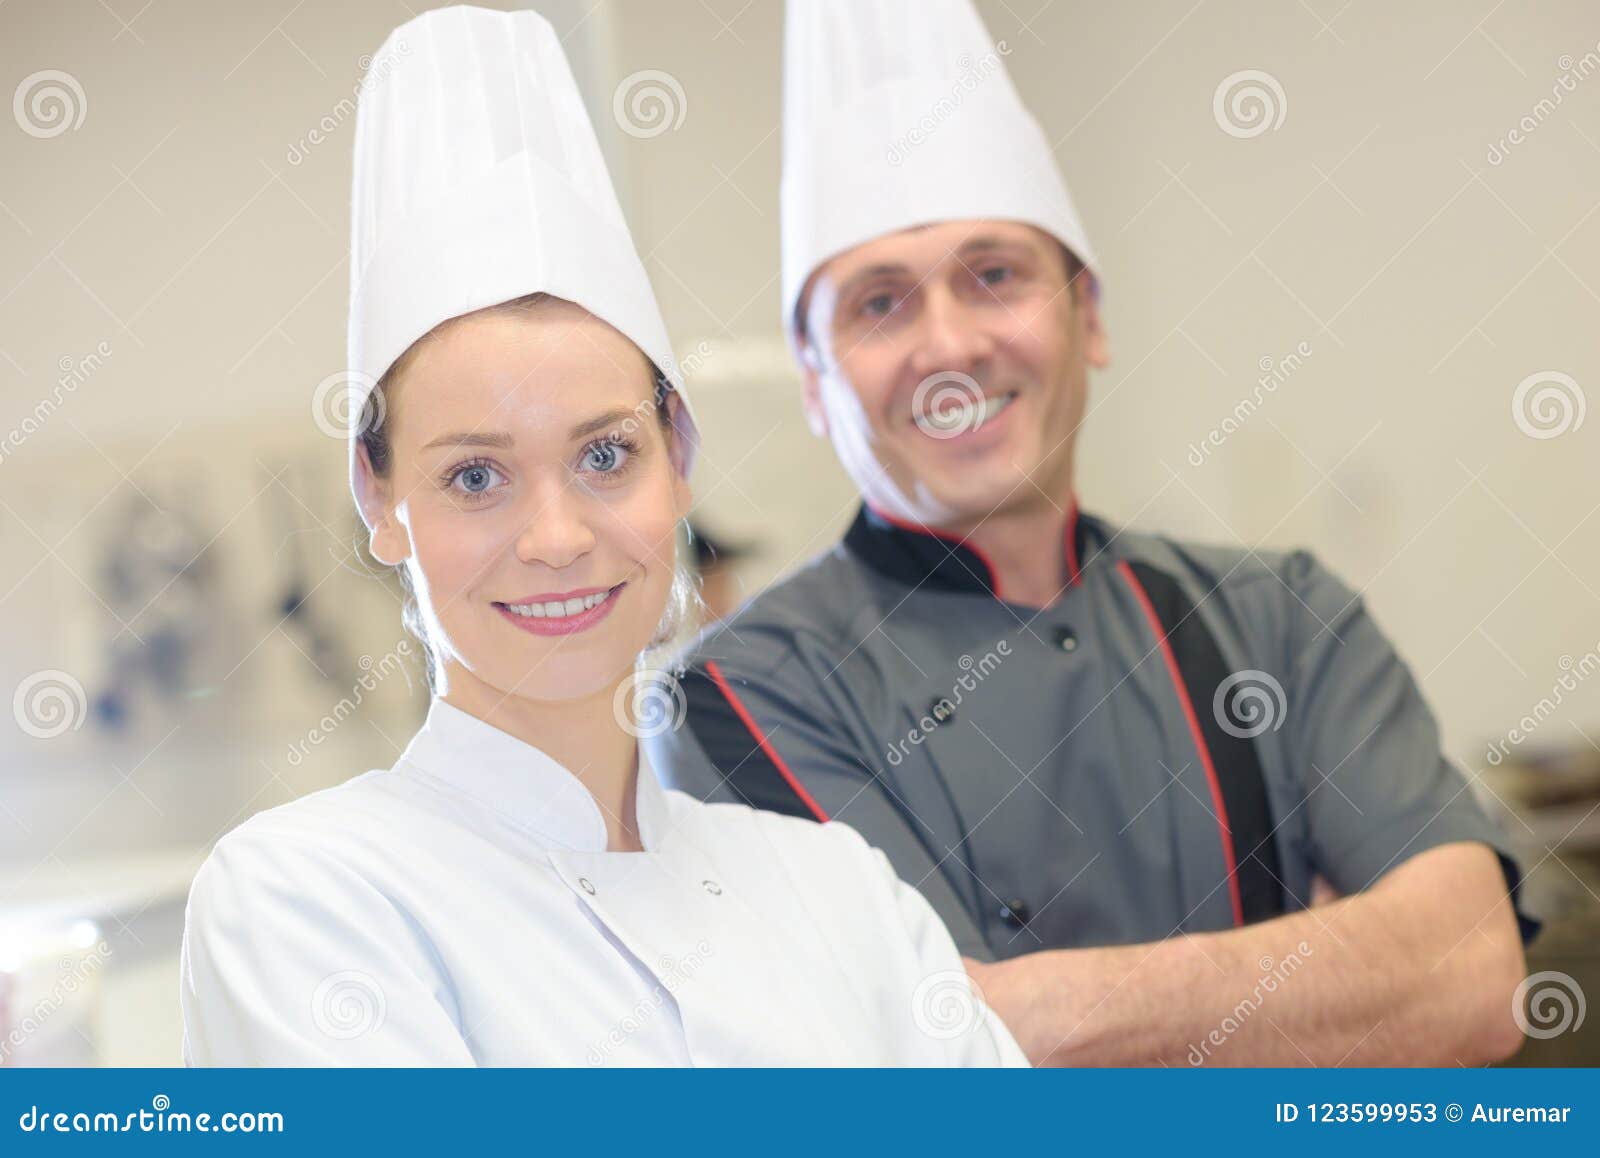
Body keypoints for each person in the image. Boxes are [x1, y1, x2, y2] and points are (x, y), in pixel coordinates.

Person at [655, 0, 1539, 1067]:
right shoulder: (736, 698)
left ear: (1091, 316)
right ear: (814, 379)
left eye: (994, 275)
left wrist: (1021, 1008)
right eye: (879, 303)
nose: (950, 346)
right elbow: (922, 1069)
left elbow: (1474, 977)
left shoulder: (1283, 617)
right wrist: (1334, 968)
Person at [178, 5, 1025, 1068]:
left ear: (680, 455)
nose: (557, 536)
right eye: (475, 476)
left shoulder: (842, 891)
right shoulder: (305, 899)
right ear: (380, 500)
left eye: (605, 454)